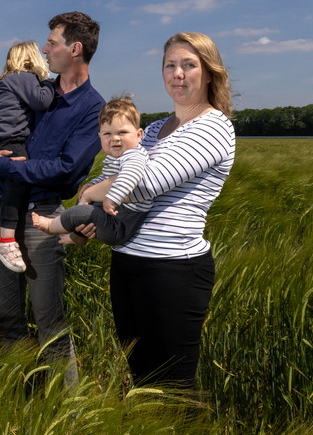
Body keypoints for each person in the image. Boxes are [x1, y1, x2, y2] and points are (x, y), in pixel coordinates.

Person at [100, 32, 235, 391]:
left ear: (208, 73)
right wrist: (106, 190)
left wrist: (88, 192)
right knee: (142, 377)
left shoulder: (213, 126)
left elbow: (142, 184)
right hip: (127, 261)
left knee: (174, 385)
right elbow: (118, 173)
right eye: (170, 65)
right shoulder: (156, 128)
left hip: (172, 270)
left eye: (189, 65)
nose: (178, 73)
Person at [0, 12, 104, 390]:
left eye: (52, 42)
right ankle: (16, 396)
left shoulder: (92, 108)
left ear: (75, 49)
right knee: (7, 318)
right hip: (2, 216)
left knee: (50, 324)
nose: (45, 48)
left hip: (42, 223)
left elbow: (65, 172)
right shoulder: (35, 89)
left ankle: (67, 419)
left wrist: (4, 168)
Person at [30, 96, 151, 248]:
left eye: (122, 132)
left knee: (81, 212)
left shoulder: (134, 155)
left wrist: (112, 198)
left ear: (139, 135)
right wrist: (94, 184)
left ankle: (51, 225)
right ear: (100, 136)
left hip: (121, 224)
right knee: (84, 199)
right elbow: (107, 177)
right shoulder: (117, 157)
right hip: (115, 215)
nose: (115, 138)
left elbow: (130, 176)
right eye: (107, 134)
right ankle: (77, 236)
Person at [0, 41, 57, 273]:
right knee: (19, 179)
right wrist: (50, 84)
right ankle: (5, 240)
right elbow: (42, 101)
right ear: (31, 59)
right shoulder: (25, 78)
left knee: (8, 176)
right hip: (10, 139)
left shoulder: (1, 83)